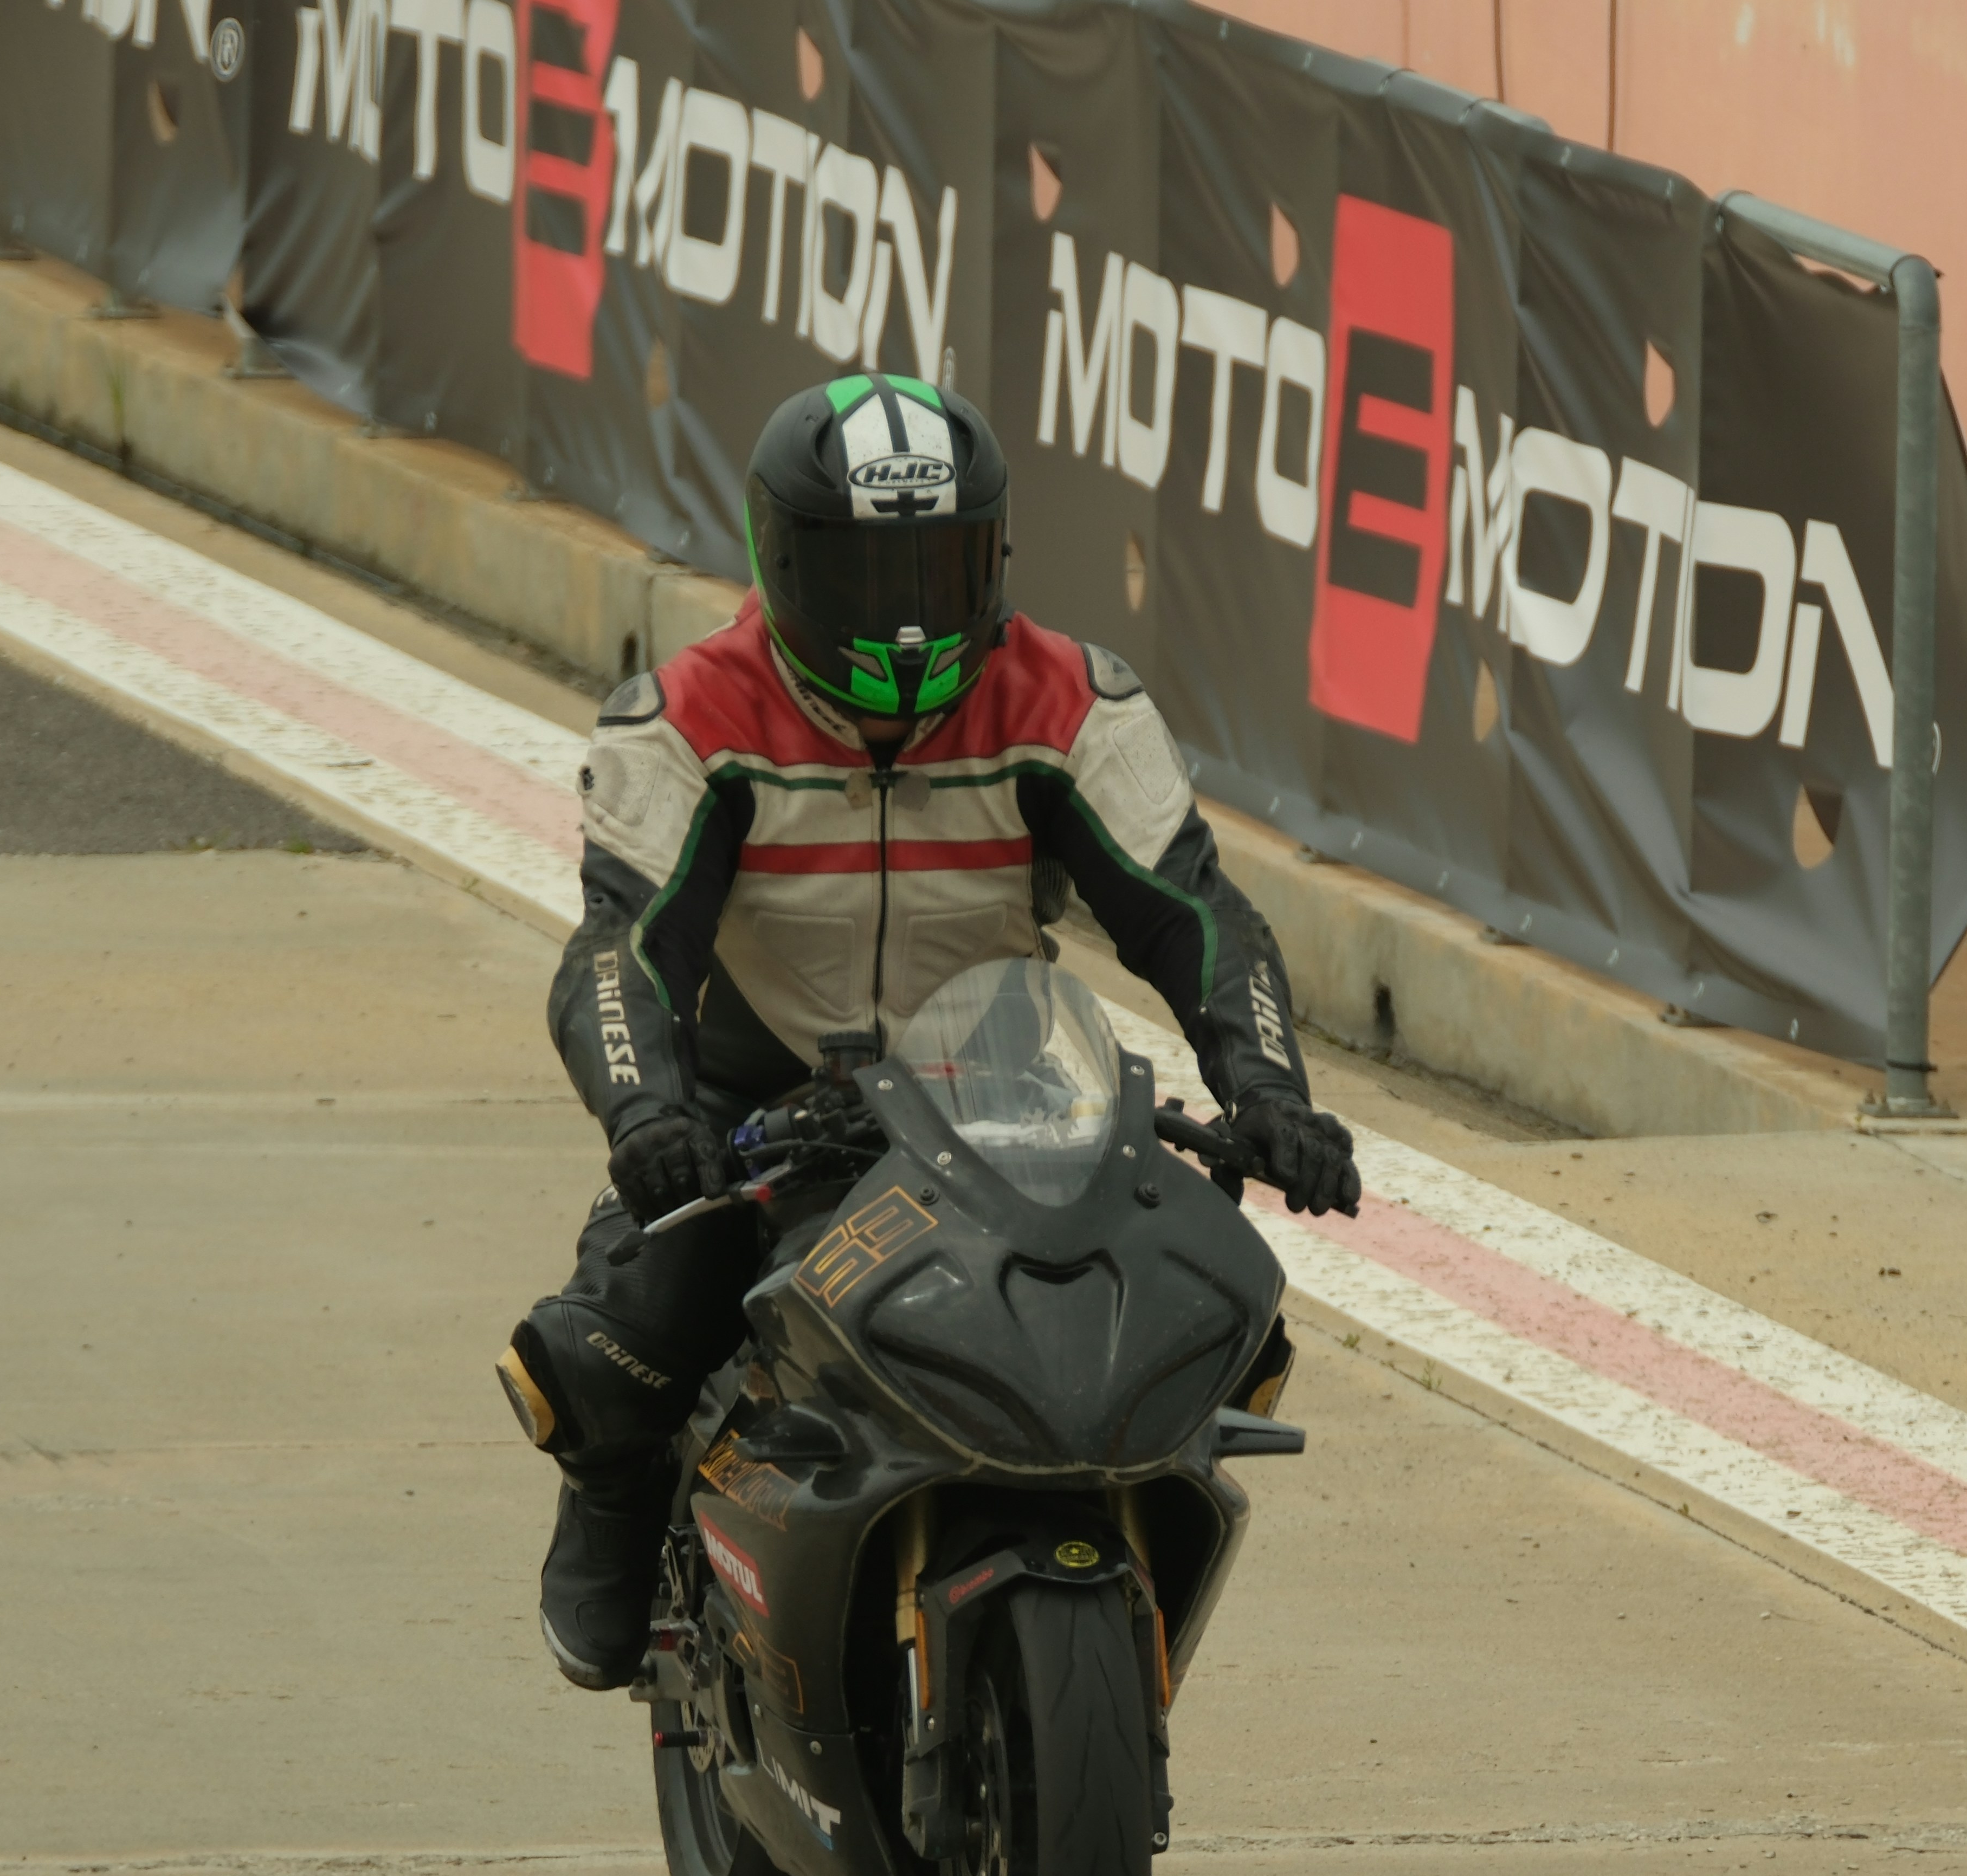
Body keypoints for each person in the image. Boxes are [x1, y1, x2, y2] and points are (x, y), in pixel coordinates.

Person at [490, 375, 1364, 1690]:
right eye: (864, 572)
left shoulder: (1074, 702)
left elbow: (1198, 916)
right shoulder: (685, 718)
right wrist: (649, 1115)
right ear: (783, 559)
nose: (905, 616)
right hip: (756, 1105)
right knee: (623, 1330)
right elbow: (622, 952)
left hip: (1002, 1087)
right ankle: (614, 1501)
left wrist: (1272, 1094)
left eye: (938, 567)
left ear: (996, 554)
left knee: (1226, 1317)